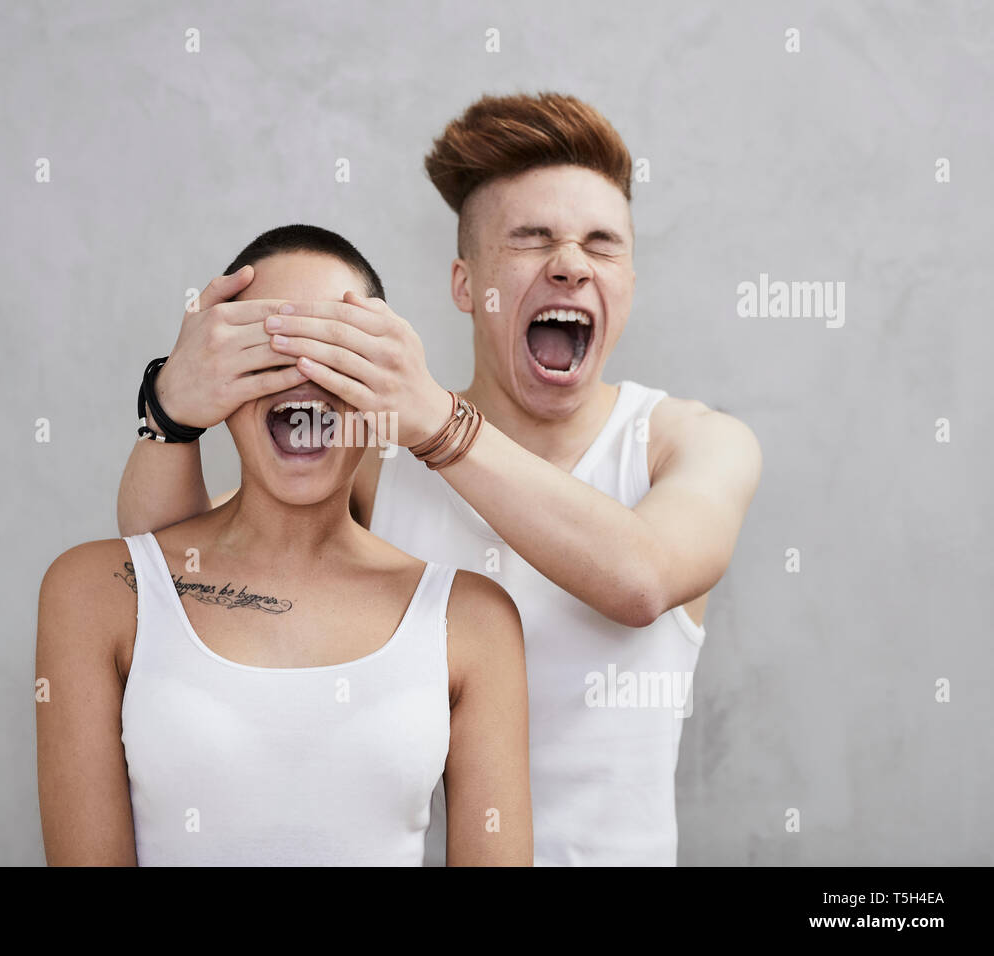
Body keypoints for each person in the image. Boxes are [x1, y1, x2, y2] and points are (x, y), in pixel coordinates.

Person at [114, 93, 763, 866]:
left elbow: (641, 580)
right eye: (531, 239)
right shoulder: (374, 452)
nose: (569, 263)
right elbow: (170, 577)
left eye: (602, 243)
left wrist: (435, 422)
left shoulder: (695, 443)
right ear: (466, 285)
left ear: (628, 281)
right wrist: (169, 414)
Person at [38, 225, 532, 866]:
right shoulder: (90, 592)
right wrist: (166, 403)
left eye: (339, 351)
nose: (304, 379)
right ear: (212, 378)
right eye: (267, 348)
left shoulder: (472, 619)